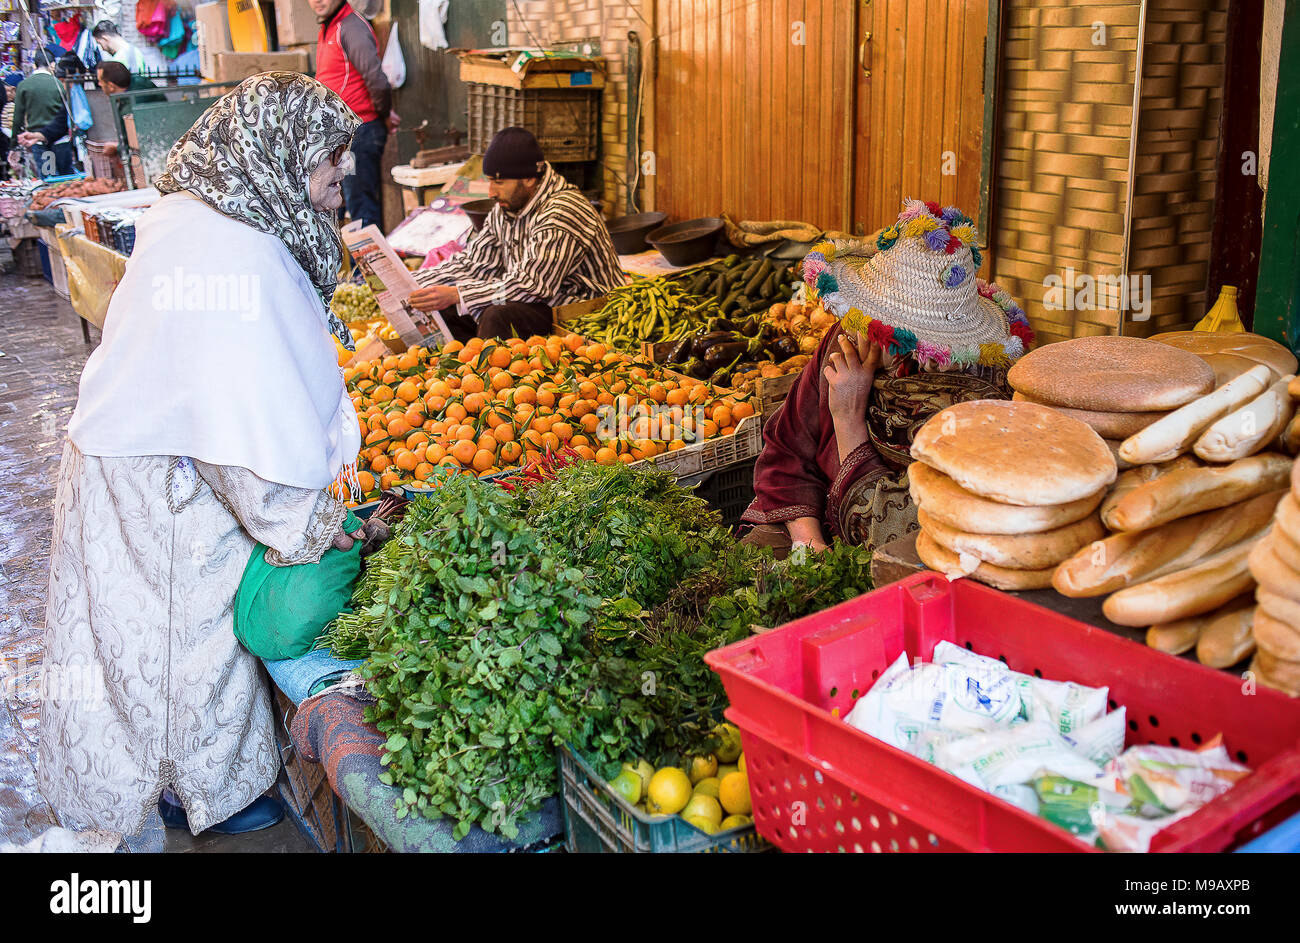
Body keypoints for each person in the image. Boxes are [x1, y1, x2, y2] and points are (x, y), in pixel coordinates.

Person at [38, 72, 382, 838]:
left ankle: (187, 786)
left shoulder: (203, 215)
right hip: (157, 481)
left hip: (133, 458)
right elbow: (245, 430)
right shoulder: (234, 255)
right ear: (284, 157)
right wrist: (310, 520)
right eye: (329, 170)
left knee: (148, 650)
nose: (337, 193)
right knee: (177, 644)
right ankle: (194, 794)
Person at [741, 199, 1035, 553]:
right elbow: (787, 448)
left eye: (888, 334)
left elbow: (897, 534)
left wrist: (847, 418)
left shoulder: (976, 404)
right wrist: (808, 542)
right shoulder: (847, 339)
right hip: (819, 517)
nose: (860, 334)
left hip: (900, 545)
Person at [408, 127, 624, 340]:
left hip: (587, 311)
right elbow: (474, 264)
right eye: (490, 181)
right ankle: (456, 370)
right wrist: (411, 283)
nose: (491, 192)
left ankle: (492, 373)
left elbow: (531, 286)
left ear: (529, 179)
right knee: (446, 310)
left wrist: (457, 294)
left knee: (498, 316)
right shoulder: (507, 207)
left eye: (499, 182)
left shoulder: (562, 211)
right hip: (537, 300)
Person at [309, 0, 393, 230]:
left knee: (361, 209)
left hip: (359, 133)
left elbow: (377, 81)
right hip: (338, 137)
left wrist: (384, 115)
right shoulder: (328, 27)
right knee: (341, 208)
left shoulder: (351, 27)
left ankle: (365, 267)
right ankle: (352, 266)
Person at [12, 48, 74, 178]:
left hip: (38, 140)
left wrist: (14, 144)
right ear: (52, 64)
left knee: (49, 178)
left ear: (34, 65)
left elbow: (17, 117)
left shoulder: (24, 85)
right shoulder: (58, 84)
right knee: (67, 179)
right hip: (61, 139)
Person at [97, 58, 164, 103]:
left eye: (100, 81)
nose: (99, 84)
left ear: (111, 86)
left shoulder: (134, 102)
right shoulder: (135, 82)